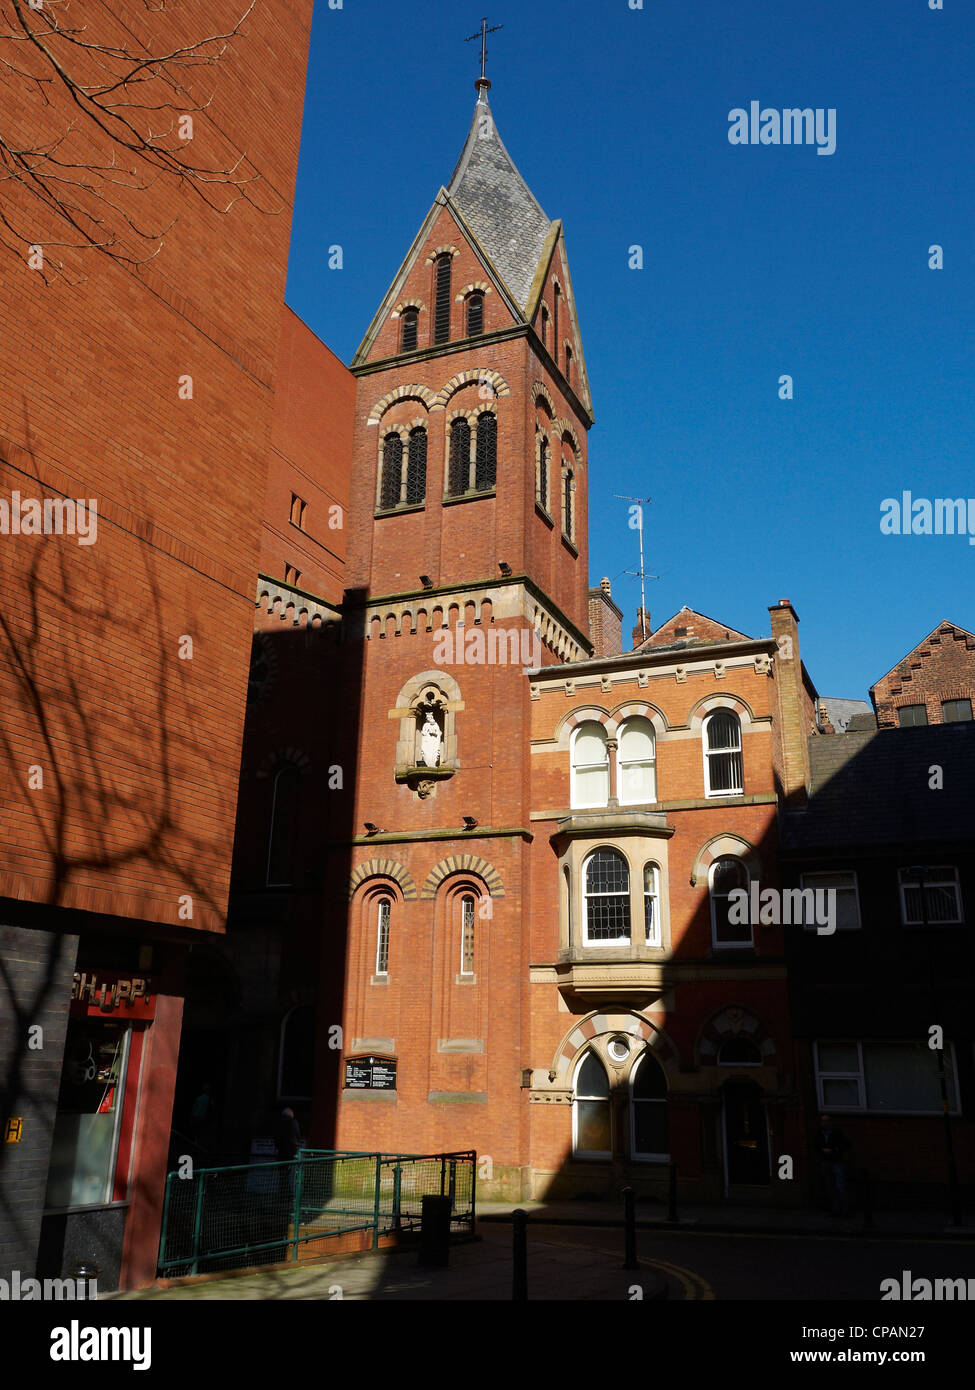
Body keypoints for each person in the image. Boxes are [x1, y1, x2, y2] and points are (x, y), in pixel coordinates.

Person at [815, 1112, 851, 1215]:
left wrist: (834, 1150)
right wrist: (822, 1151)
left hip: (836, 1161)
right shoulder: (819, 1134)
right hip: (825, 1162)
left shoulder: (837, 1133)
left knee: (840, 1186)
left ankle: (845, 1209)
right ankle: (835, 1209)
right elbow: (816, 1146)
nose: (825, 1123)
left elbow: (846, 1145)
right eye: (823, 1121)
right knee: (830, 1187)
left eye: (827, 1121)